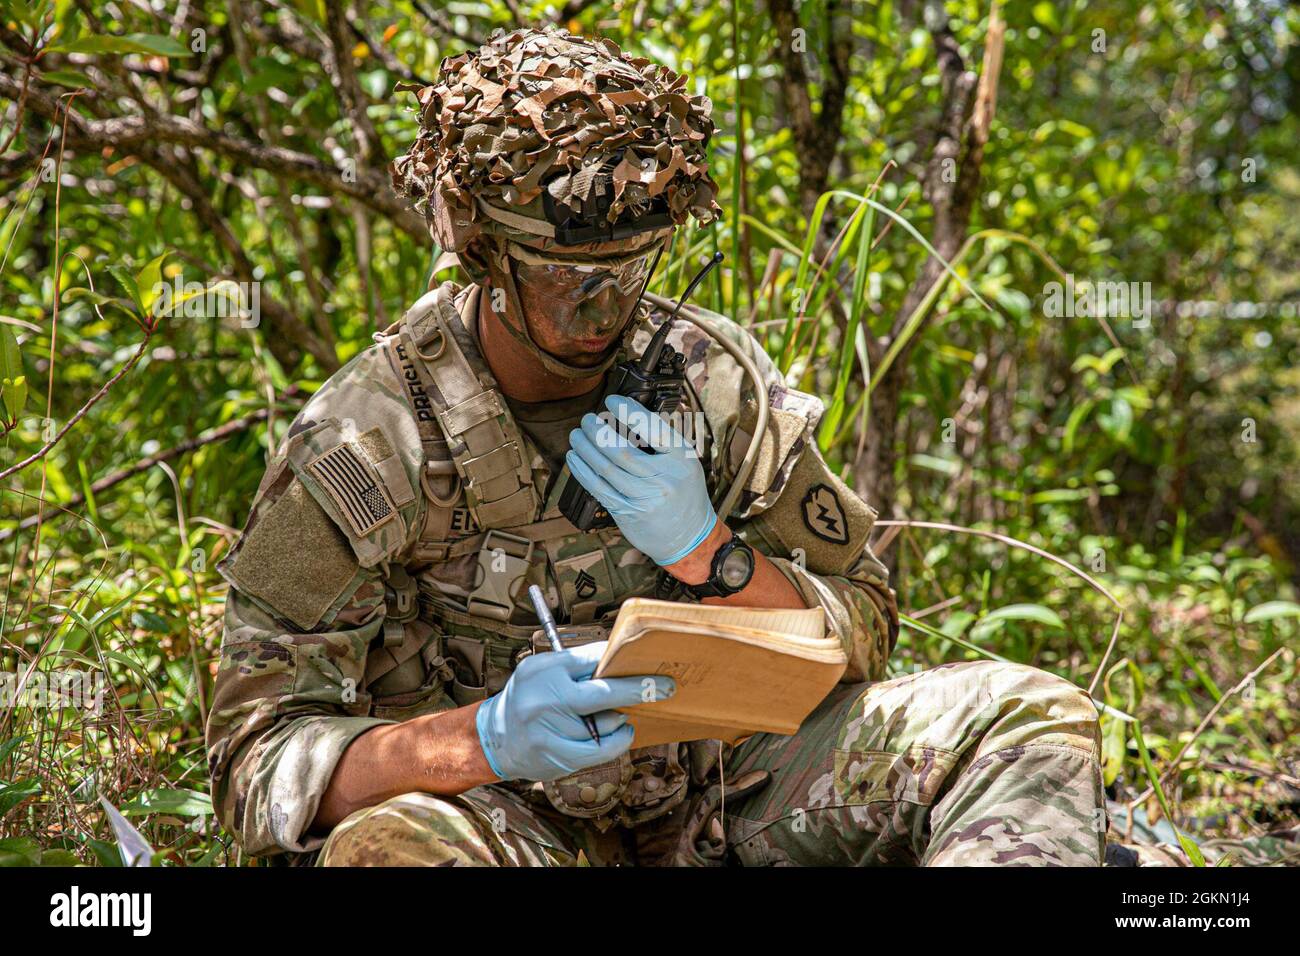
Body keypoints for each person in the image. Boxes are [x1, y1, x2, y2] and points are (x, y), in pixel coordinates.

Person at [205, 27, 1106, 866]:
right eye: (564, 276)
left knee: (1026, 716)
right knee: (391, 849)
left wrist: (711, 557)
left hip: (731, 791)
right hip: (502, 818)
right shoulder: (368, 439)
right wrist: (479, 738)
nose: (604, 309)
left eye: (631, 271)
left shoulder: (708, 379)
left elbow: (866, 621)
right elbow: (254, 760)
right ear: (480, 250)